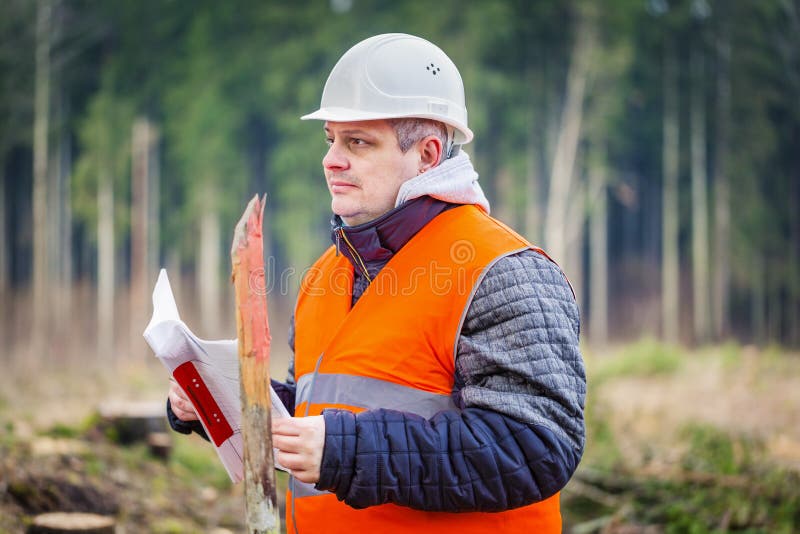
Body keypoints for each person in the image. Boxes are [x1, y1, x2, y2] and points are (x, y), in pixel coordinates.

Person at [168, 33, 585, 533]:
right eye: (331, 141)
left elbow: (534, 448)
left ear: (428, 154)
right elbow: (319, 413)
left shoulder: (506, 272)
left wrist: (345, 449)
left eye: (358, 142)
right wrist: (217, 400)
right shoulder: (324, 276)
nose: (331, 160)